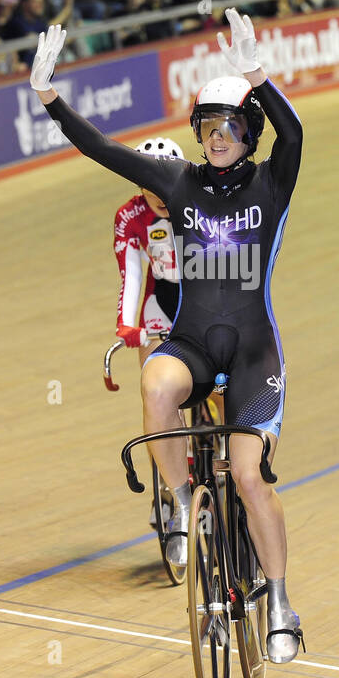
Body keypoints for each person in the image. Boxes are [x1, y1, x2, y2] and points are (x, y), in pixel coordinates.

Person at [33, 10, 306, 665]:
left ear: (248, 133)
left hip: (251, 354)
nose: (216, 138)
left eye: (230, 127)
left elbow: (295, 131)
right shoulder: (177, 182)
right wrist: (50, 98)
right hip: (189, 344)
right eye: (207, 128)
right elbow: (101, 150)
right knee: (155, 382)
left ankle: (280, 599)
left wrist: (256, 73)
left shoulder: (273, 181)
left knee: (246, 475)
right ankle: (184, 503)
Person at [112, 138, 186, 525]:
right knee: (154, 396)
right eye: (148, 182)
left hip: (200, 303)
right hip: (160, 304)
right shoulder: (131, 217)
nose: (158, 193)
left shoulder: (198, 200)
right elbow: (133, 274)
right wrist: (128, 325)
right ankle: (169, 493)